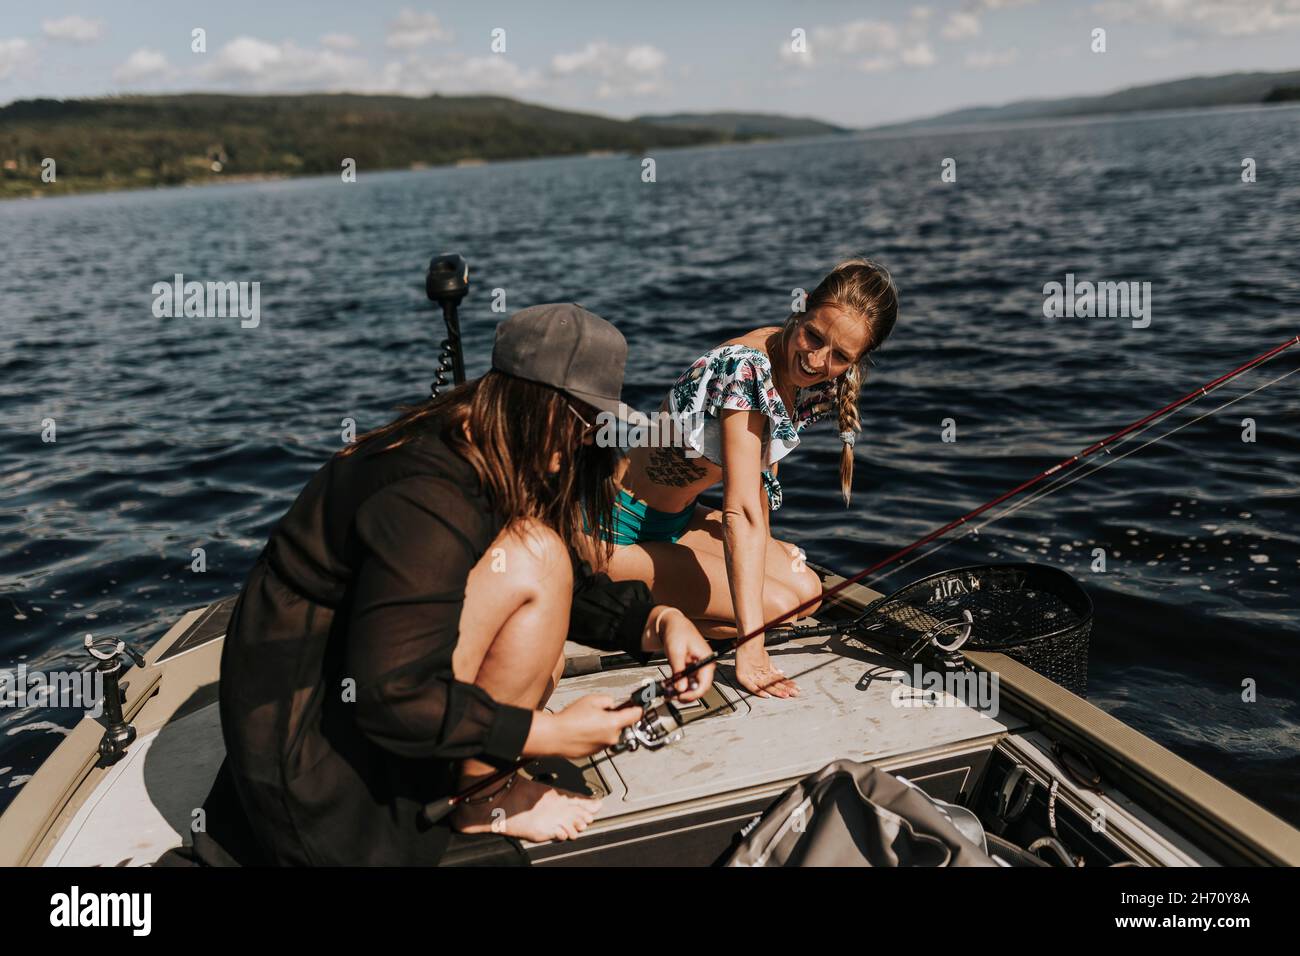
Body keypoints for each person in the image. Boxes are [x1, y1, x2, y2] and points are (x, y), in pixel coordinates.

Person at [193, 303, 715, 866]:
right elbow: (390, 694)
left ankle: (477, 785)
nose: (588, 442)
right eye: (585, 423)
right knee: (535, 555)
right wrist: (548, 734)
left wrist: (659, 622)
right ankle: (482, 797)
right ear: (534, 403)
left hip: (343, 684)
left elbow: (570, 579)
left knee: (543, 553)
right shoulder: (427, 495)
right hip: (310, 768)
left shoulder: (482, 447)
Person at [603, 259, 899, 699]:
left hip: (675, 522)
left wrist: (765, 563)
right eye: (813, 336)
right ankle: (607, 605)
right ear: (800, 312)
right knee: (776, 605)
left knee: (805, 589)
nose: (817, 360)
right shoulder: (746, 368)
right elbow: (739, 508)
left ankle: (661, 607)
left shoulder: (791, 365)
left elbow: (759, 490)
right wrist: (751, 645)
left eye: (840, 356)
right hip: (614, 530)